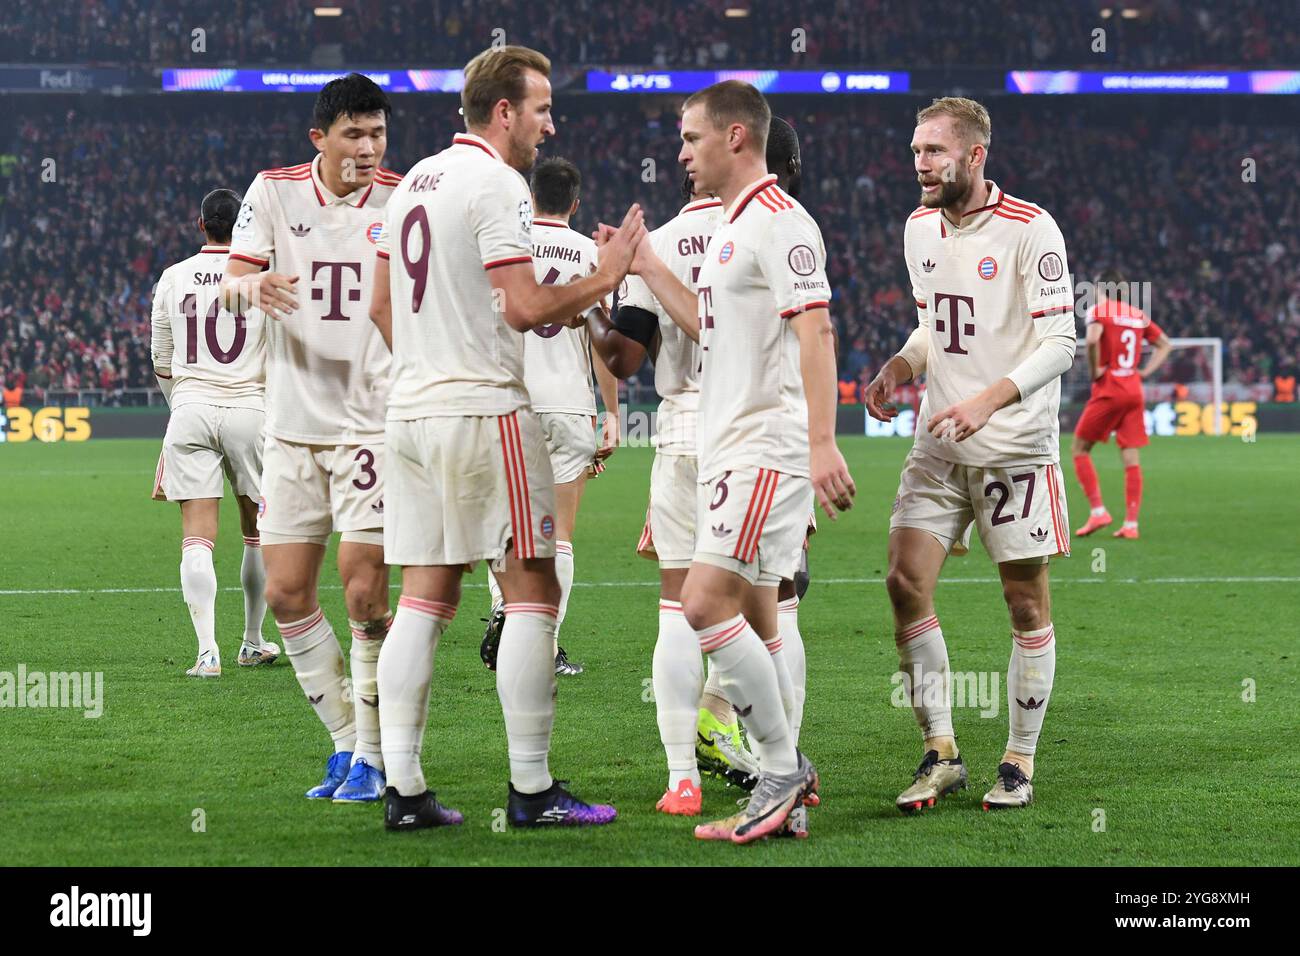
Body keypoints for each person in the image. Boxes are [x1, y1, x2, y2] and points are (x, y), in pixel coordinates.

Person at [369, 45, 645, 831]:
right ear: (503, 112)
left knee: (425, 596)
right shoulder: (497, 183)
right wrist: (608, 273)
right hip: (486, 409)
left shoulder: (413, 183)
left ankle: (406, 791)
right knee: (533, 588)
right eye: (542, 110)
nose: (548, 126)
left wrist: (430, 365)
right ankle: (531, 790)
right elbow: (525, 308)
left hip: (412, 413)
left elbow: (382, 305)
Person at [605, 81, 851, 843]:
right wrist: (643, 262)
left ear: (736, 136)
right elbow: (702, 327)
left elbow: (818, 332)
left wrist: (820, 443)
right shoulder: (735, 229)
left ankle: (779, 768)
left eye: (690, 138)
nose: (680, 154)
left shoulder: (781, 222)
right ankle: (782, 786)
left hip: (763, 450)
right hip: (726, 449)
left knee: (703, 606)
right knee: (758, 614)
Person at [864, 96, 1075, 812]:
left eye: (934, 151)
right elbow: (933, 327)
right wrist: (901, 364)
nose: (919, 163)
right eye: (916, 150)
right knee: (902, 578)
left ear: (974, 155)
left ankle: (1018, 759)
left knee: (1023, 600)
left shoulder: (1031, 229)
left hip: (1012, 447)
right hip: (938, 440)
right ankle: (941, 750)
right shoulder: (919, 228)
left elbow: (1061, 342)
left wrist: (988, 400)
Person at [220, 74, 402, 803]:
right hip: (290, 427)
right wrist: (250, 287)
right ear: (318, 138)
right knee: (290, 592)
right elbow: (232, 276)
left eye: (378, 134)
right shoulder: (272, 191)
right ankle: (347, 745)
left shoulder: (405, 197)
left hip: (373, 423)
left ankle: (381, 759)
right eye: (354, 134)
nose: (367, 149)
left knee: (364, 593)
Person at [480, 156, 621, 677]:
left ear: (529, 197)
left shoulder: (504, 249)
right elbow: (602, 342)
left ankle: (501, 611)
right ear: (576, 204)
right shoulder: (590, 254)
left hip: (508, 401)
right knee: (558, 533)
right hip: (567, 404)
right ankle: (544, 646)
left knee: (505, 526)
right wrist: (609, 414)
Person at [150, 188, 273, 678]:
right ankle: (253, 641)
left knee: (196, 539)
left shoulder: (173, 277)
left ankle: (208, 653)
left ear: (200, 226)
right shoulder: (263, 279)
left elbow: (161, 359)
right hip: (250, 409)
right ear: (242, 226)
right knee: (258, 534)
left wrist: (181, 403)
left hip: (192, 407)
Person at [1072, 269, 1172, 540]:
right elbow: (1164, 344)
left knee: (1080, 448)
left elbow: (1092, 340)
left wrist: (1094, 371)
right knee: (1130, 456)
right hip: (1134, 388)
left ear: (1099, 288)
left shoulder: (1098, 310)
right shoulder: (1137, 315)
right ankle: (1131, 524)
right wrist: (1146, 372)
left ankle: (1098, 511)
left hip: (1110, 387)